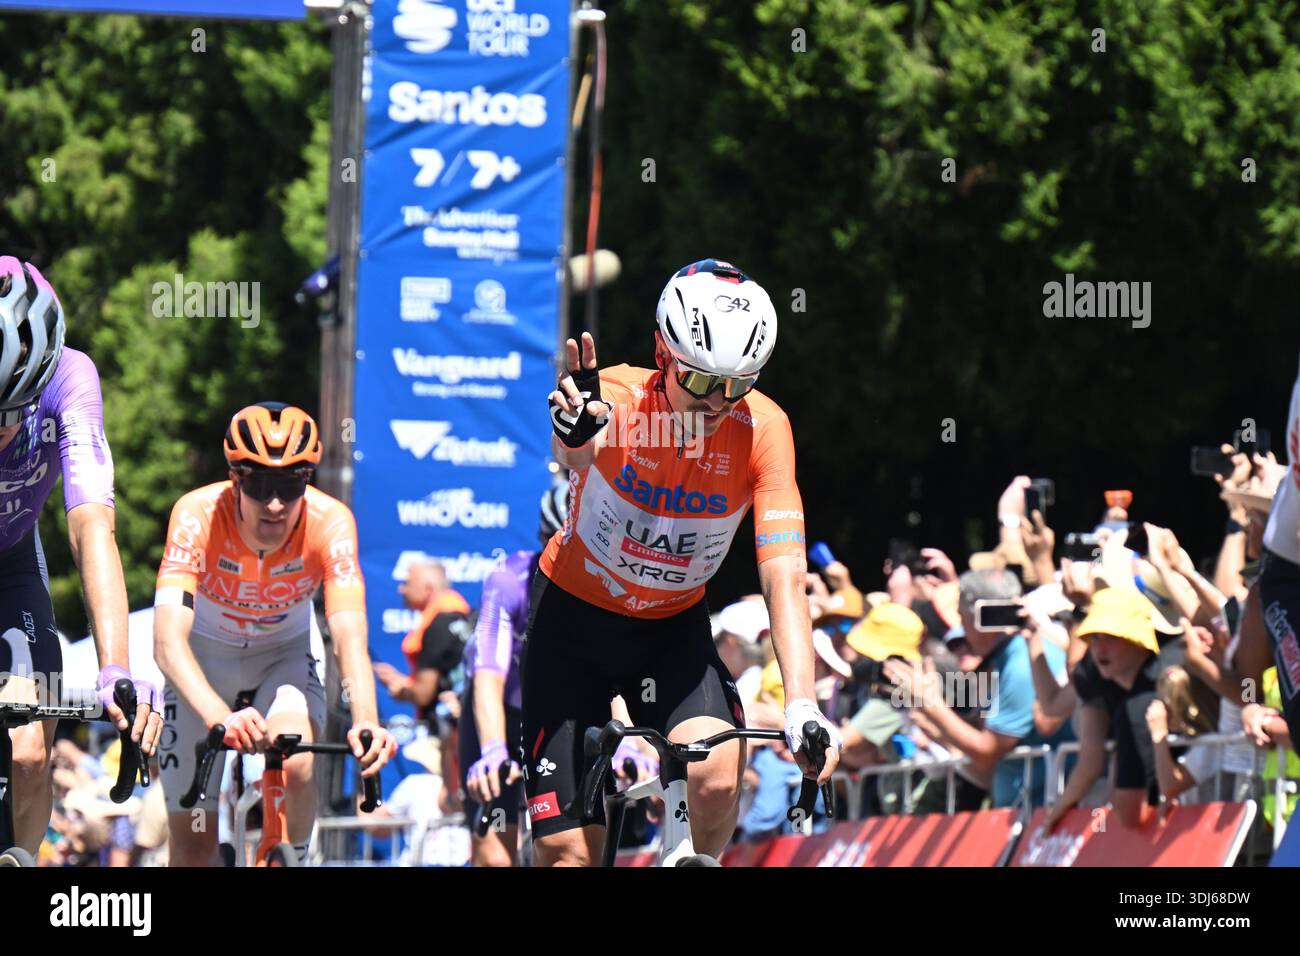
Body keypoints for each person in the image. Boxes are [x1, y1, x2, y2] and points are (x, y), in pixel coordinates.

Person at [531, 259, 840, 866]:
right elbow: (577, 447)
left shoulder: (764, 429)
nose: (717, 402)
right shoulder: (616, 397)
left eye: (737, 384)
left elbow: (784, 574)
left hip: (671, 631)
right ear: (661, 352)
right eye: (700, 382)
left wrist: (803, 701)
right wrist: (572, 434)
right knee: (571, 855)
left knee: (718, 776)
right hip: (571, 628)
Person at [153, 402, 396, 866]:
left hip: (281, 658)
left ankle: (294, 857)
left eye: (290, 485)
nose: (276, 504)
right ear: (235, 480)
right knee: (192, 841)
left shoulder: (331, 522)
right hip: (202, 666)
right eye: (261, 486)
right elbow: (166, 640)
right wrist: (218, 715)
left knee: (297, 758)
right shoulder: (196, 514)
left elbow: (348, 634)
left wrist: (366, 717)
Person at [0, 256, 162, 856]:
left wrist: (115, 666)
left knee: (31, 750)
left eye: (15, 410)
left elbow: (93, 529)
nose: (3, 430)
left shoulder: (71, 379)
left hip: (12, 562)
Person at [456, 477, 568, 868]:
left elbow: (616, 675)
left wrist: (631, 745)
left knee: (565, 846)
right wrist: (491, 750)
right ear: (542, 539)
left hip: (556, 714)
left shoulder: (604, 586)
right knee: (496, 853)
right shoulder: (509, 579)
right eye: (556, 549)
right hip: (499, 712)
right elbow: (488, 673)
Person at [374, 560, 471, 727]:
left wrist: (400, 689)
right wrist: (402, 680)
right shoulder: (462, 619)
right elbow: (446, 681)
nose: (401, 589)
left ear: (428, 589)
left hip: (448, 731)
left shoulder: (437, 627)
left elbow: (424, 694)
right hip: (464, 727)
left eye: (407, 583)